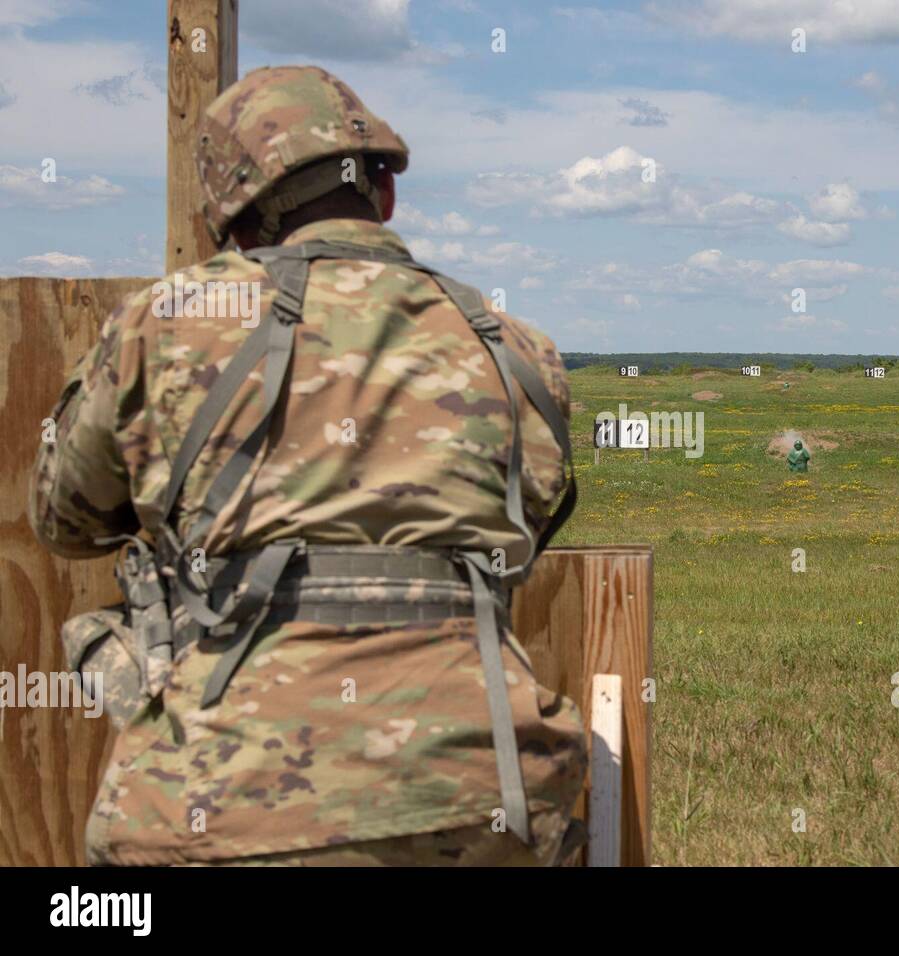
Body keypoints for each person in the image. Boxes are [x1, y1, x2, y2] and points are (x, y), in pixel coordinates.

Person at [28, 65, 586, 866]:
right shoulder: (515, 349)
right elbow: (520, 523)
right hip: (490, 800)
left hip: (217, 810)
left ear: (240, 226)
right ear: (385, 198)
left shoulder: (167, 321)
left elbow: (65, 520)